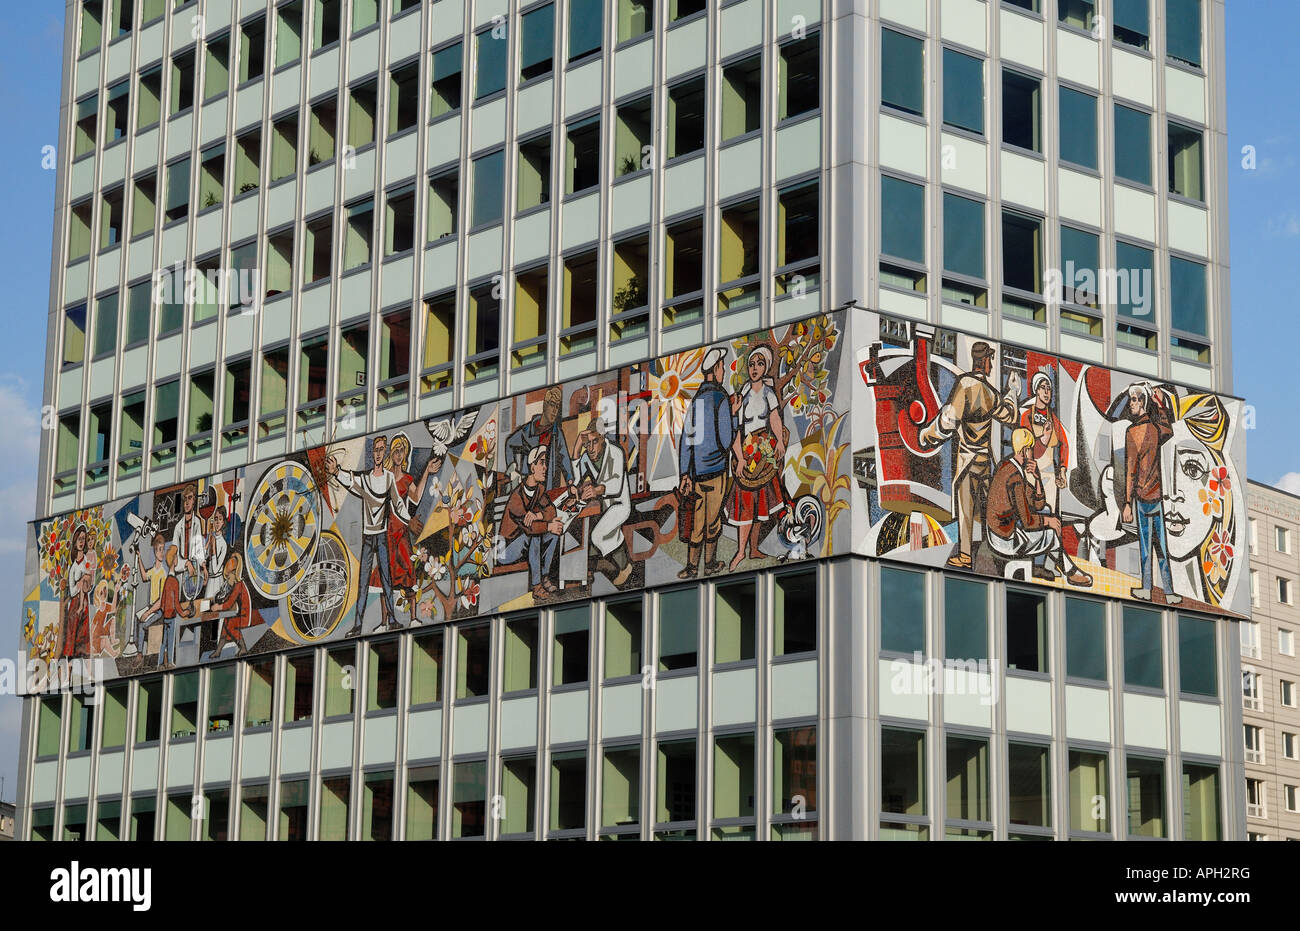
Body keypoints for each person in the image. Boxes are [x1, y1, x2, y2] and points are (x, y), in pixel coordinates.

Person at [919, 341, 1021, 570]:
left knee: (967, 511)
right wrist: (1013, 392)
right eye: (991, 360)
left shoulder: (965, 385)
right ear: (984, 361)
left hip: (967, 460)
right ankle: (994, 552)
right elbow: (1010, 415)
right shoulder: (991, 393)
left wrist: (926, 436)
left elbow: (947, 422)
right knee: (989, 511)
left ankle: (966, 555)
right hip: (985, 462)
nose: (992, 365)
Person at [326, 434, 429, 635]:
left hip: (382, 535)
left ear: (385, 452)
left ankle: (392, 619)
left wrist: (409, 520)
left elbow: (398, 504)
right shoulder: (365, 479)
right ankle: (358, 625)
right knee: (363, 582)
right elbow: (350, 479)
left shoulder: (390, 478)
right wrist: (336, 471)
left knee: (386, 579)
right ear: (373, 453)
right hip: (368, 536)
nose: (379, 453)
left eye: (382, 449)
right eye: (376, 450)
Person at [985, 428, 1093, 587]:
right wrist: (1048, 522)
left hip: (1000, 531)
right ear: (1024, 451)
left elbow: (1039, 504)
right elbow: (1028, 521)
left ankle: (1055, 566)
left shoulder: (1008, 466)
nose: (1033, 454)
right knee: (1052, 535)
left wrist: (1037, 478)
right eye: (1030, 449)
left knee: (1048, 511)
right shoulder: (1014, 477)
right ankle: (1071, 573)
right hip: (1005, 540)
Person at [1119, 383, 1182, 605]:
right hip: (1155, 496)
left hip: (1143, 498)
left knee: (1148, 546)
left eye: (1135, 400)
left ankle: (1148, 589)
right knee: (1161, 546)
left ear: (1142, 402)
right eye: (1131, 400)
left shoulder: (1133, 432)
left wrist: (1127, 502)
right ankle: (1169, 592)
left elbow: (1130, 470)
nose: (1132, 404)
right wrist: (1160, 403)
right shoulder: (1156, 428)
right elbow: (1169, 428)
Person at [728, 344, 788, 571]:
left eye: (760, 364)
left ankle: (753, 548)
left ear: (765, 367)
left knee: (760, 504)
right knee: (745, 505)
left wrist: (780, 442)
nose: (755, 368)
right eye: (752, 364)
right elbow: (736, 427)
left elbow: (774, 418)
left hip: (763, 449)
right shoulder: (741, 395)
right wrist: (740, 457)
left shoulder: (768, 393)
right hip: (745, 449)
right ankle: (740, 552)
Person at [369, 433, 437, 626]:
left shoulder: (407, 479)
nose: (398, 455)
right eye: (396, 450)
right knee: (384, 577)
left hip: (402, 532)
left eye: (402, 451)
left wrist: (426, 473)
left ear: (405, 454)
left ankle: (413, 618)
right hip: (386, 532)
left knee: (408, 572)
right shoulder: (384, 477)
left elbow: (415, 499)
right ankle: (384, 622)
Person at [678, 346, 734, 579]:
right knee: (713, 522)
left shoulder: (696, 402)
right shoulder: (721, 398)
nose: (723, 371)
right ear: (716, 369)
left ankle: (691, 567)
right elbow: (727, 439)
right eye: (722, 367)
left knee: (697, 522)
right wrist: (735, 413)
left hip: (696, 473)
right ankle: (709, 564)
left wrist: (684, 473)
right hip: (717, 471)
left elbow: (686, 441)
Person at [497, 446, 564, 601]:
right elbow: (529, 529)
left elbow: (551, 511)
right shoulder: (517, 497)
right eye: (541, 463)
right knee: (535, 537)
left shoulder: (539, 490)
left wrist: (537, 514)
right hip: (505, 549)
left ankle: (544, 576)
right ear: (532, 466)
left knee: (553, 534)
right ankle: (536, 586)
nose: (545, 467)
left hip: (523, 543)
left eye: (546, 463)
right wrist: (547, 525)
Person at [575, 422, 633, 587]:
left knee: (598, 535)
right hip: (601, 506)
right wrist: (576, 449)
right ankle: (591, 568)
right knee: (582, 527)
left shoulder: (616, 452)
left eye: (594, 442)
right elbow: (577, 475)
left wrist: (597, 490)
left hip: (620, 504)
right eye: (587, 443)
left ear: (602, 438)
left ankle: (624, 566)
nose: (590, 447)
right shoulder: (586, 456)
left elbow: (616, 484)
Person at [504, 385, 574, 491]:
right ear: (545, 405)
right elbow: (510, 443)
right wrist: (512, 469)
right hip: (528, 483)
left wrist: (570, 483)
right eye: (552, 405)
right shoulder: (528, 430)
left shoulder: (556, 433)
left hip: (547, 484)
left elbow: (564, 458)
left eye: (557, 406)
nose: (554, 410)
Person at [1018, 372, 1070, 513]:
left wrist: (1063, 469)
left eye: (1049, 388)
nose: (1047, 392)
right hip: (1031, 473)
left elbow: (1064, 444)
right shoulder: (1026, 416)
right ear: (1036, 390)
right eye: (1043, 387)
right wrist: (1044, 437)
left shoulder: (1053, 419)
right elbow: (1028, 448)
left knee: (1051, 512)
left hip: (1050, 476)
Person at [140, 544, 194, 668]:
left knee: (164, 641)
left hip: (166, 616)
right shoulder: (174, 581)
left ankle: (160, 663)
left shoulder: (166, 581)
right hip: (172, 616)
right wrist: (183, 612)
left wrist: (165, 611)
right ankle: (169, 662)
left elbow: (163, 600)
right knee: (170, 640)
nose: (177, 560)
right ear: (174, 561)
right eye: (176, 558)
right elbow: (175, 603)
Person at [204, 553, 261, 658]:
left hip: (243, 617)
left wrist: (218, 607)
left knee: (231, 625)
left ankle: (243, 648)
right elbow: (229, 598)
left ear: (234, 573)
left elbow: (229, 604)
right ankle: (218, 650)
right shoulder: (237, 585)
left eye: (228, 576)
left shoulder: (238, 586)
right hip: (239, 614)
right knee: (226, 623)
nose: (227, 578)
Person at [202, 507, 229, 600]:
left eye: (220, 519)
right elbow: (202, 558)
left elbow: (215, 570)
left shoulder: (223, 544)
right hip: (210, 581)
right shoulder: (211, 538)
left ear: (223, 522)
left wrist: (213, 547)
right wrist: (207, 544)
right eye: (216, 519)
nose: (217, 522)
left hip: (218, 581)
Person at [89, 579, 120, 658]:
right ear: (98, 595)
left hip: (104, 636)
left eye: (105, 593)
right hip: (97, 639)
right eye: (101, 593)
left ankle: (112, 640)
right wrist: (90, 643)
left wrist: (116, 592)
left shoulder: (108, 606)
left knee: (112, 617)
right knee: (105, 639)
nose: (103, 595)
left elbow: (113, 608)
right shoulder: (98, 612)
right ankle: (113, 653)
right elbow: (92, 627)